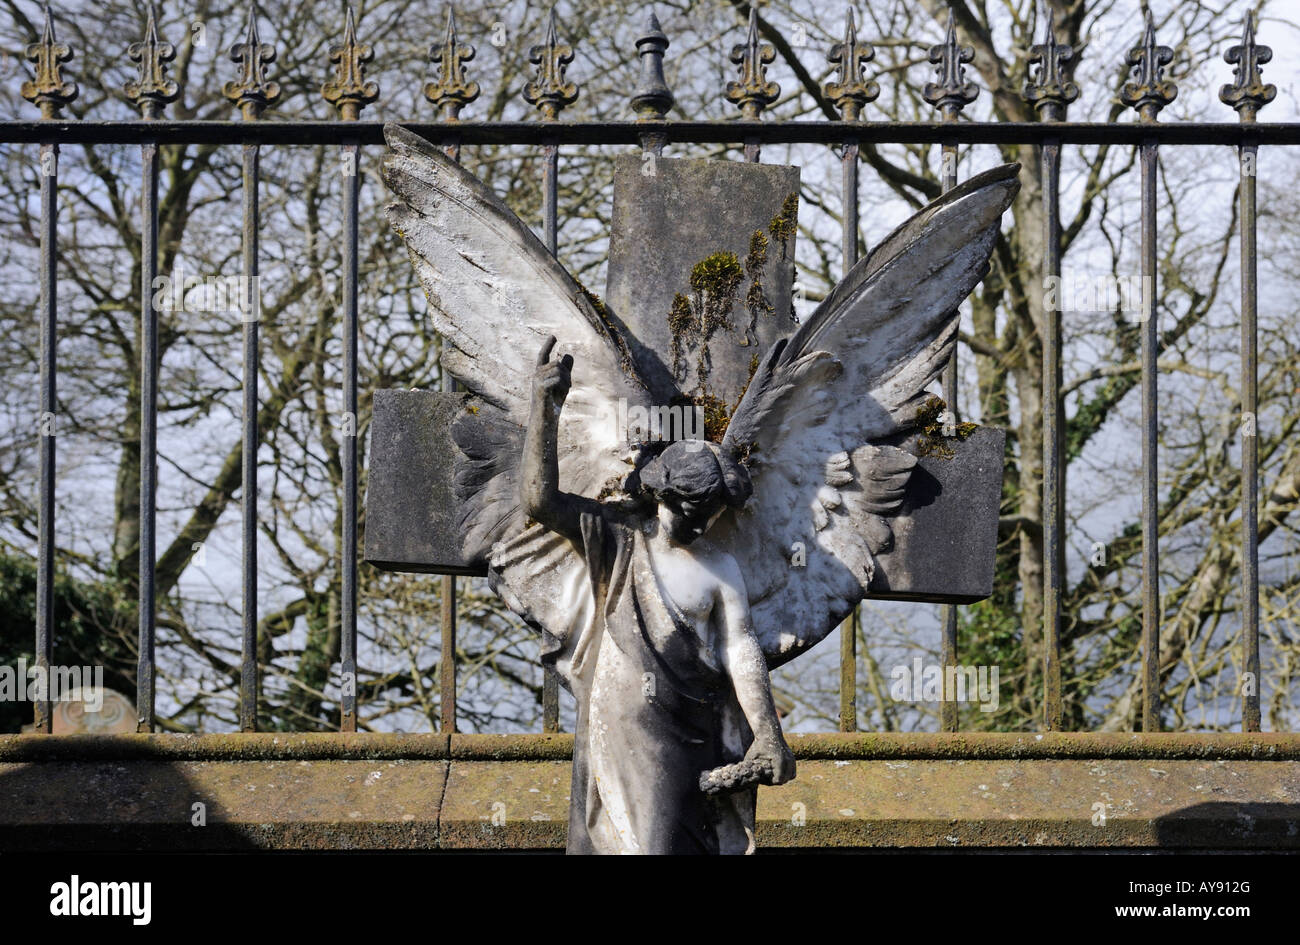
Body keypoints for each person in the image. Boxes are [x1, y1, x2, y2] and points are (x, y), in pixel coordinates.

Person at [516, 335, 795, 854]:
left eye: (712, 516)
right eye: (691, 514)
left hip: (697, 731)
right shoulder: (617, 538)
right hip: (626, 725)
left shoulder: (721, 566)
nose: (702, 526)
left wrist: (765, 732)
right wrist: (543, 409)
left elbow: (740, 648)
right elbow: (539, 501)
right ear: (661, 495)